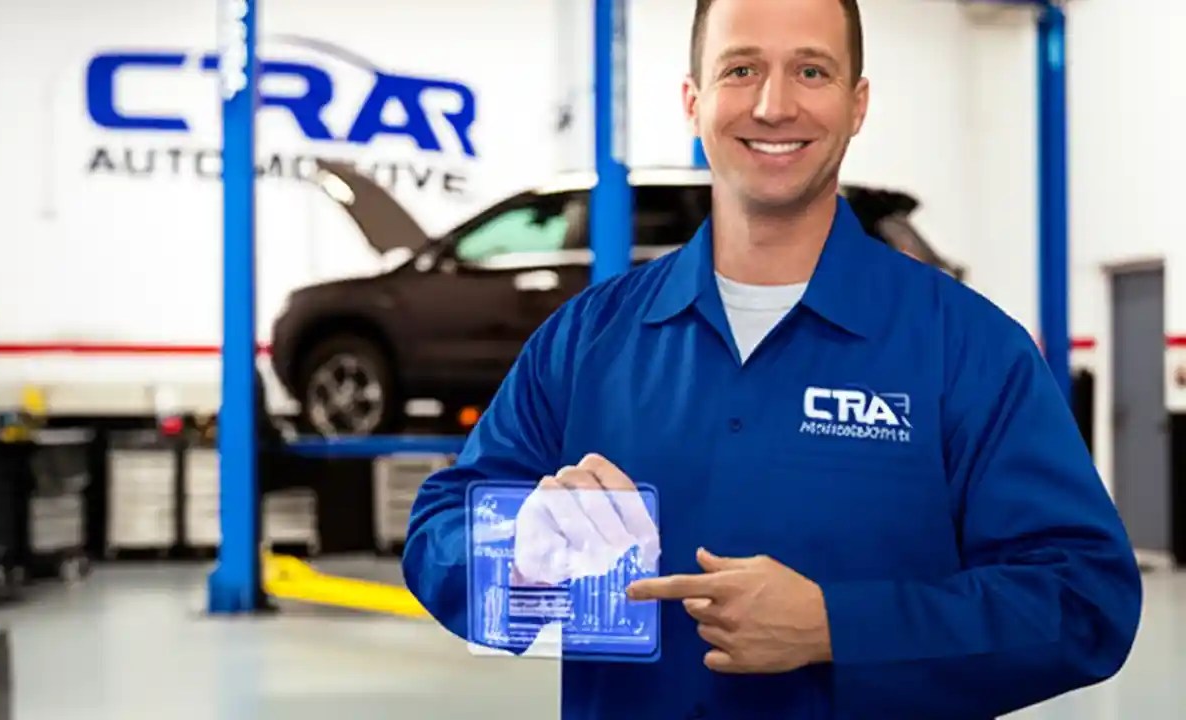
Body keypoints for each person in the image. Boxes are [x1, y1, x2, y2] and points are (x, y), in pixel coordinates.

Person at [401, 0, 1143, 717]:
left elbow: (1084, 600)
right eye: (741, 70)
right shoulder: (588, 341)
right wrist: (514, 552)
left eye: (812, 72)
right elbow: (440, 535)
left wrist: (837, 627)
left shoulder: (968, 349)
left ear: (859, 104)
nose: (773, 105)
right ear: (693, 101)